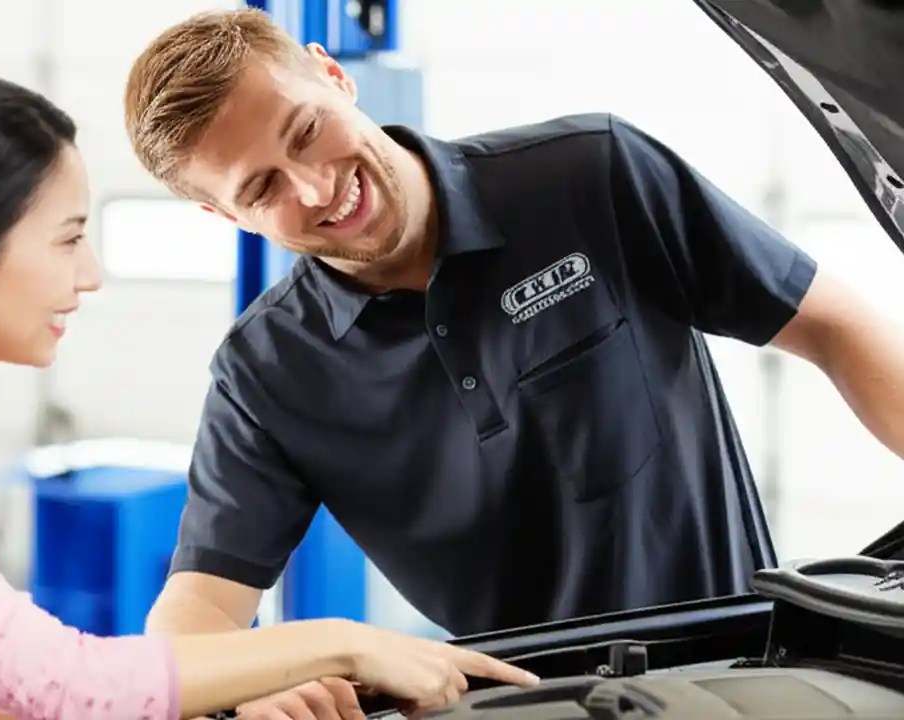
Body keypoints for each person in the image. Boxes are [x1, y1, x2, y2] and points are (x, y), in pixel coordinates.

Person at [0, 72, 538, 719]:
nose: (93, 274)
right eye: (68, 239)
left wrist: (233, 688)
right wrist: (345, 641)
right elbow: (59, 681)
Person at [122, 8, 904, 719]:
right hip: (521, 708)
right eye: (262, 189)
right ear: (222, 214)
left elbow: (834, 326)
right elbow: (197, 617)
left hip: (737, 682)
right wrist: (255, 681)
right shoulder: (267, 372)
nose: (318, 187)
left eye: (305, 131)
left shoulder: (591, 175)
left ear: (333, 74)